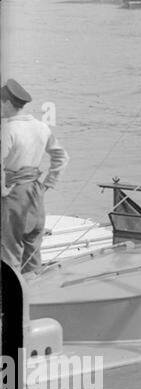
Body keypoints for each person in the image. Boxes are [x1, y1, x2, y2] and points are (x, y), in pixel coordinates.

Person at [1, 79, 68, 273]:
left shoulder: (8, 131)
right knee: (32, 253)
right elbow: (61, 157)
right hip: (35, 193)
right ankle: (35, 296)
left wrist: (3, 190)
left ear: (6, 103)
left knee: (10, 253)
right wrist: (48, 184)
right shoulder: (42, 127)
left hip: (13, 195)